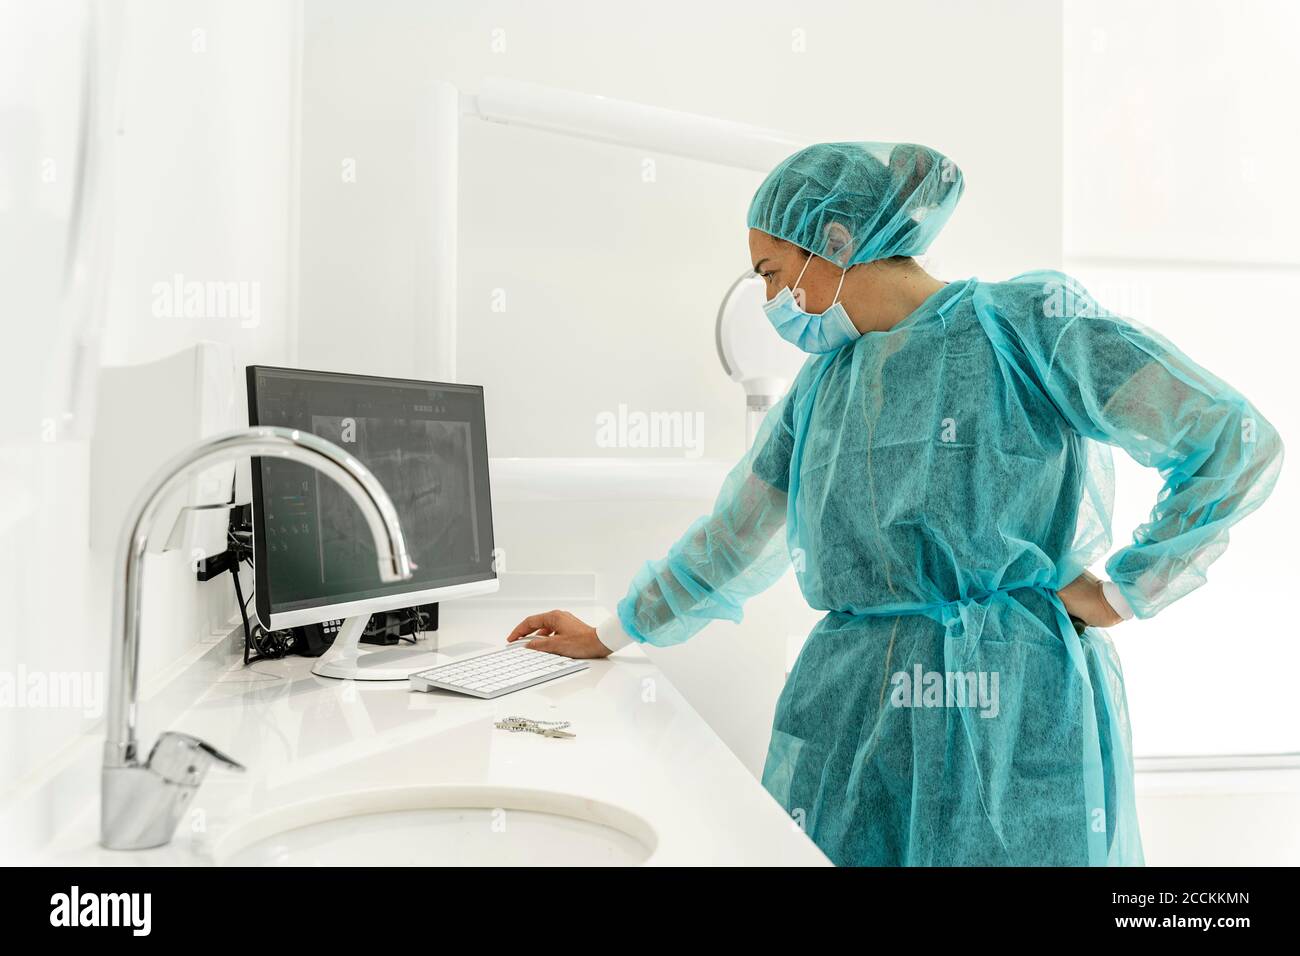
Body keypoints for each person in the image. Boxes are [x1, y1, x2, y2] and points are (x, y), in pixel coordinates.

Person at [505, 141, 1285, 866]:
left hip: (1011, 712)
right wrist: (611, 631)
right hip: (854, 715)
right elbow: (735, 535)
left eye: (772, 272)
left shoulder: (1027, 328)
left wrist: (1122, 589)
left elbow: (1232, 441)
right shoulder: (822, 388)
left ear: (836, 241)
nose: (771, 298)